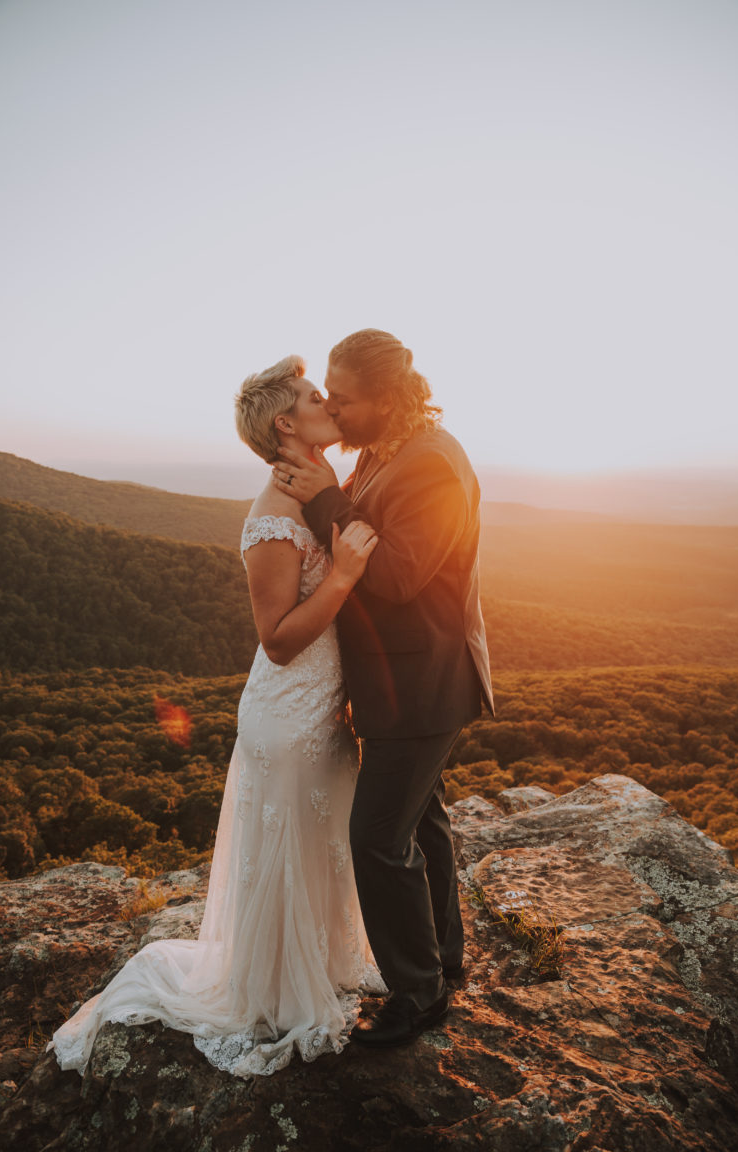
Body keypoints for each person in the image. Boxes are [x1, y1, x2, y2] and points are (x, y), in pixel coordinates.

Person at [48, 355, 381, 1078]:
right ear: (286, 423)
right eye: (312, 395)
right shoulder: (271, 515)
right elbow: (280, 639)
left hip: (324, 711)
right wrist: (349, 575)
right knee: (290, 847)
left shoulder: (319, 488)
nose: (328, 400)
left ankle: (317, 964)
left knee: (320, 841)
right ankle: (273, 989)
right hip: (287, 713)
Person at [272, 329, 494, 1047]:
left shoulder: (431, 464)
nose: (334, 407)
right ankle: (443, 960)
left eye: (345, 397)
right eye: (328, 393)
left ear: (388, 399)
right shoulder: (382, 446)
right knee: (420, 820)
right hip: (398, 683)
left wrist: (326, 502)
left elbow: (396, 575)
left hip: (426, 682)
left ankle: (419, 996)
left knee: (374, 837)